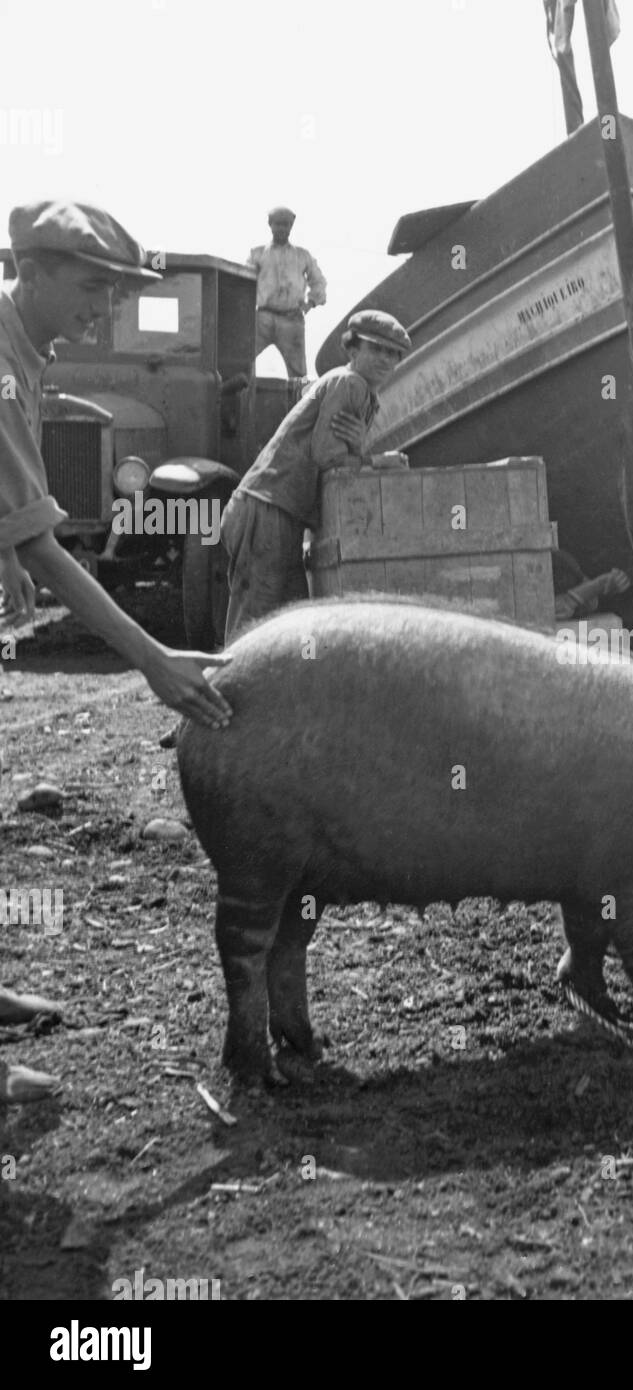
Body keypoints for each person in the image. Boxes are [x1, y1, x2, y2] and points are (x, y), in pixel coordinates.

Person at [0, 199, 232, 1104]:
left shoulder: (28, 350)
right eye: (94, 287)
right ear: (32, 268)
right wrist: (153, 657)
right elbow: (51, 551)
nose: (105, 310)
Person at [220, 309, 412, 642]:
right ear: (353, 350)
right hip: (268, 510)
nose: (385, 359)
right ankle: (224, 691)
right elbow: (327, 456)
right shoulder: (349, 382)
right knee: (253, 628)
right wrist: (375, 462)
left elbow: (329, 453)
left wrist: (354, 450)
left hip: (273, 509)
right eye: (376, 349)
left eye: (393, 353)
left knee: (288, 622)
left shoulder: (347, 385)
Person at [247, 207, 327, 378]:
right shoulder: (257, 254)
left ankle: (300, 404)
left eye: (286, 224)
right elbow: (244, 281)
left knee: (298, 374)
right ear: (270, 225)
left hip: (291, 320)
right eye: (278, 224)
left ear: (291, 226)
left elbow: (319, 281)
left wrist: (310, 303)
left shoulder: (302, 255)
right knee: (242, 361)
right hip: (263, 319)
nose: (282, 228)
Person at [552, 548, 629, 629]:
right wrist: (596, 586)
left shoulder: (563, 559)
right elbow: (552, 610)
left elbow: (590, 597)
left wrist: (604, 585)